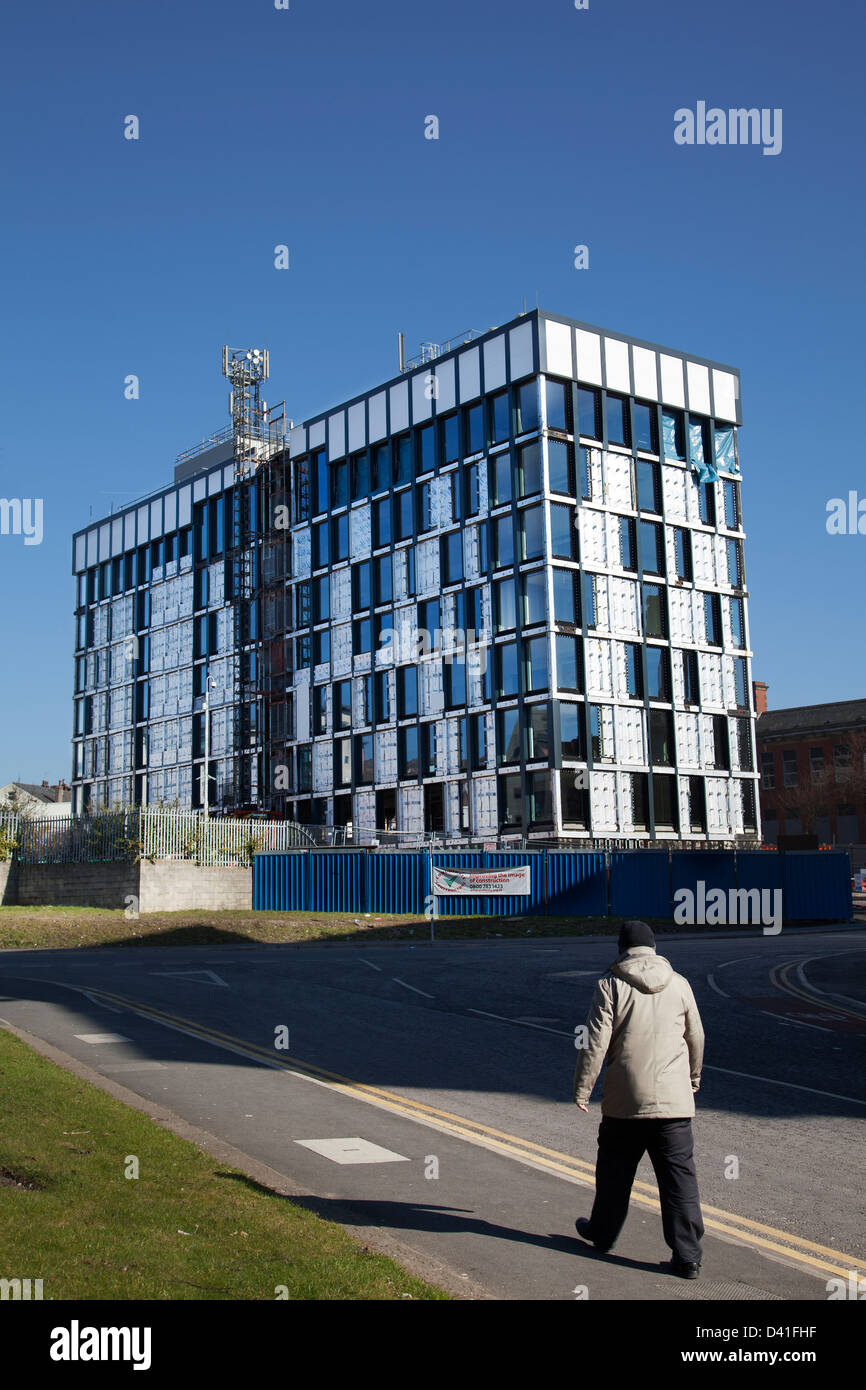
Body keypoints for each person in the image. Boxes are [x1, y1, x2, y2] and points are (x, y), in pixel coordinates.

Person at [572, 919, 705, 1278]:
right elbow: (696, 1037)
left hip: (625, 1101)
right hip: (674, 1104)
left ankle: (602, 1233)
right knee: (679, 1181)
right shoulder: (680, 984)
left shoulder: (610, 984)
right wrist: (693, 1078)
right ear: (654, 948)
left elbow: (595, 1043)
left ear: (621, 949)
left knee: (615, 1174)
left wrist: (583, 1088)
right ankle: (688, 1256)